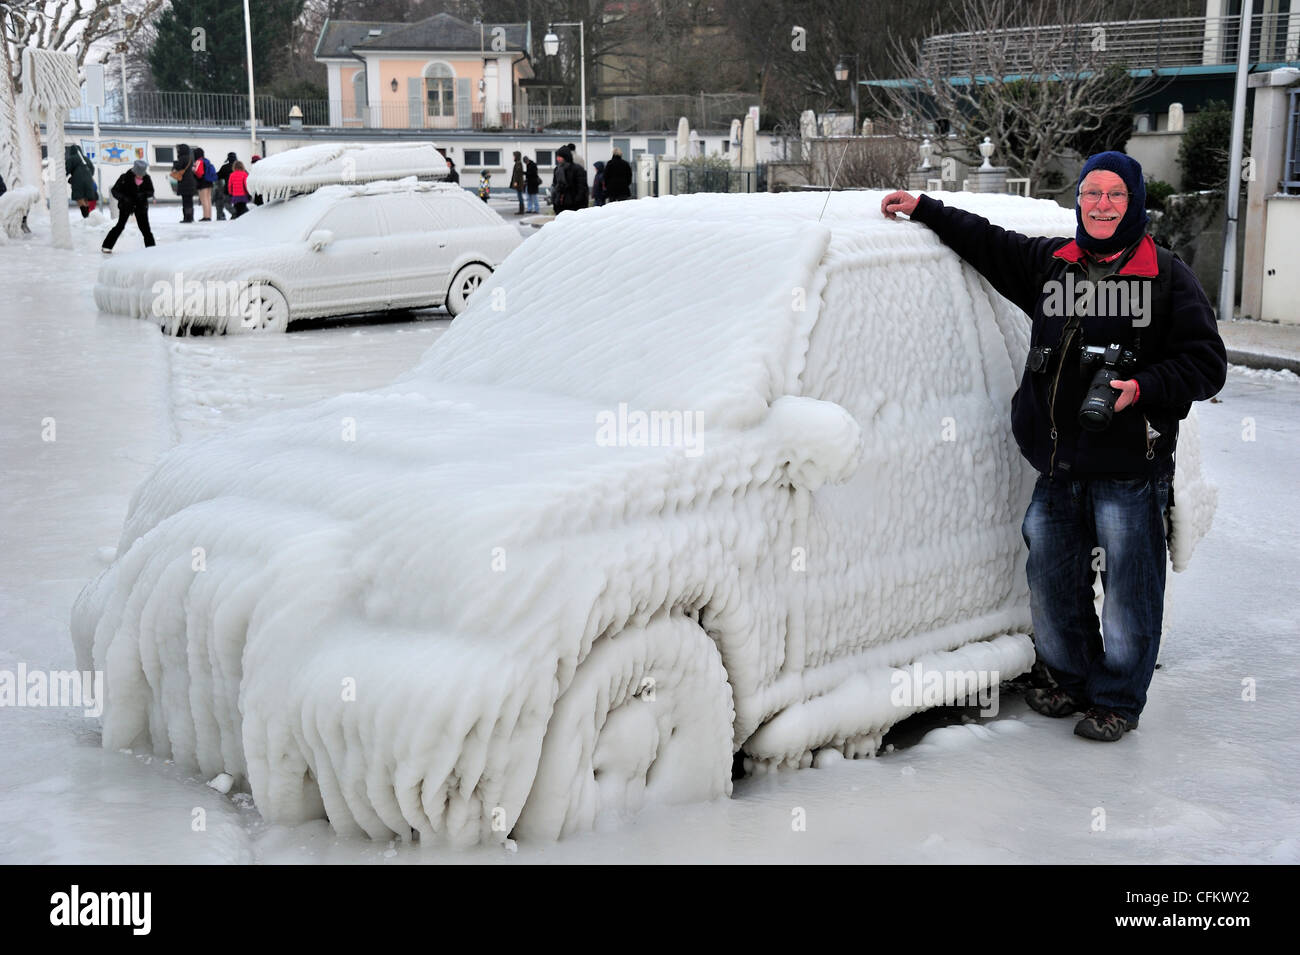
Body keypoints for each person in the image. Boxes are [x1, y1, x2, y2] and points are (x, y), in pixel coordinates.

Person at [880, 152, 1227, 742]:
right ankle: (1070, 680)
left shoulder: (1165, 277)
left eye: (1114, 195)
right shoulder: (1054, 265)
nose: (1101, 206)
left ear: (1135, 202)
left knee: (1129, 593)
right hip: (1061, 464)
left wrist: (1141, 388)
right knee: (1050, 579)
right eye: (1091, 194)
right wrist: (925, 207)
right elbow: (987, 243)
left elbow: (1207, 363)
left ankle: (1116, 699)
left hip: (1129, 468)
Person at [102, 158, 155, 252]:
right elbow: (115, 191)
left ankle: (151, 249)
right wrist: (123, 198)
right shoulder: (124, 177)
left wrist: (143, 195)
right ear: (134, 171)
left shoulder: (147, 178)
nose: (140, 176)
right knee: (120, 226)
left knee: (145, 228)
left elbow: (151, 191)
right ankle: (107, 246)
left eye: (142, 174)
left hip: (141, 206)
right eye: (139, 174)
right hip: (126, 205)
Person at [551, 145, 588, 213]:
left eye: (560, 157)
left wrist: (577, 201)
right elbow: (555, 186)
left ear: (565, 157)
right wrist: (554, 201)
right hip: (560, 204)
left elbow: (581, 187)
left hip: (574, 205)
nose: (558, 159)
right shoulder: (557, 169)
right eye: (557, 156)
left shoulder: (577, 169)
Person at [66, 144, 98, 218]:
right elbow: (92, 170)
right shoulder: (86, 159)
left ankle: (85, 216)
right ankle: (88, 216)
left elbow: (66, 170)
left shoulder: (71, 159)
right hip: (89, 180)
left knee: (79, 197)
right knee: (87, 197)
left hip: (77, 181)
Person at [171, 143, 196, 222]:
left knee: (185, 201)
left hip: (184, 182)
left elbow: (177, 167)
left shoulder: (182, 158)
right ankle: (191, 217)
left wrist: (175, 163)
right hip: (191, 182)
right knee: (190, 201)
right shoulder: (190, 158)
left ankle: (186, 218)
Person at [192, 147, 215, 220]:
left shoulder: (199, 161)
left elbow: (199, 173)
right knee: (208, 200)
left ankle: (206, 216)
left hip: (202, 183)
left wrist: (193, 170)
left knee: (204, 200)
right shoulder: (206, 161)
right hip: (209, 182)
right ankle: (209, 216)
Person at [215, 151, 236, 221]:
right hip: (240, 190)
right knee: (239, 204)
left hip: (228, 189)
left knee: (226, 202)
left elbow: (218, 176)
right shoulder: (239, 166)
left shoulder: (225, 167)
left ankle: (235, 213)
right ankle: (237, 213)